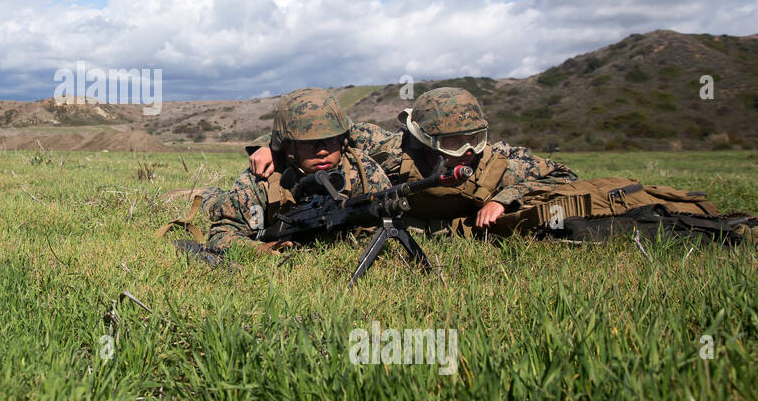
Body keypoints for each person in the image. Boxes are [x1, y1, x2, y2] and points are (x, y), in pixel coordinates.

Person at [246, 87, 578, 233]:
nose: (465, 150)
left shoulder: (496, 165)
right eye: (452, 142)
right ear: (424, 139)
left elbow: (565, 175)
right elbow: (318, 130)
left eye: (473, 139)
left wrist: (504, 200)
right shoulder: (391, 149)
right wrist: (269, 147)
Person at [202, 88, 391, 251]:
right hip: (223, 202)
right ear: (288, 149)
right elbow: (222, 233)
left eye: (331, 140)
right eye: (310, 144)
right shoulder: (263, 179)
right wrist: (261, 249)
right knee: (208, 200)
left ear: (343, 141)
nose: (323, 151)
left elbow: (388, 220)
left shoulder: (362, 170)